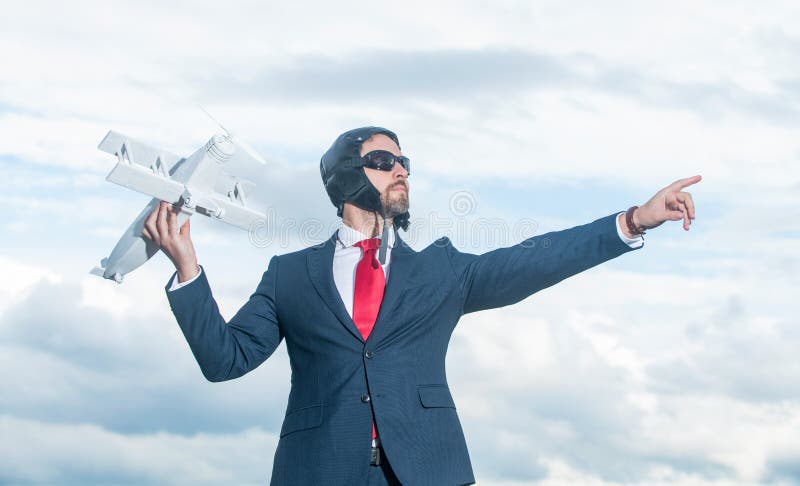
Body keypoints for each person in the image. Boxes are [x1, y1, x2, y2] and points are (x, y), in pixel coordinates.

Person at [143, 127, 700, 486]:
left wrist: (631, 221)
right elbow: (225, 360)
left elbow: (534, 259)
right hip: (317, 469)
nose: (402, 170)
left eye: (404, 161)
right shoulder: (289, 275)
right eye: (384, 161)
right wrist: (187, 269)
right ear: (344, 178)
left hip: (429, 469)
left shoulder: (440, 270)